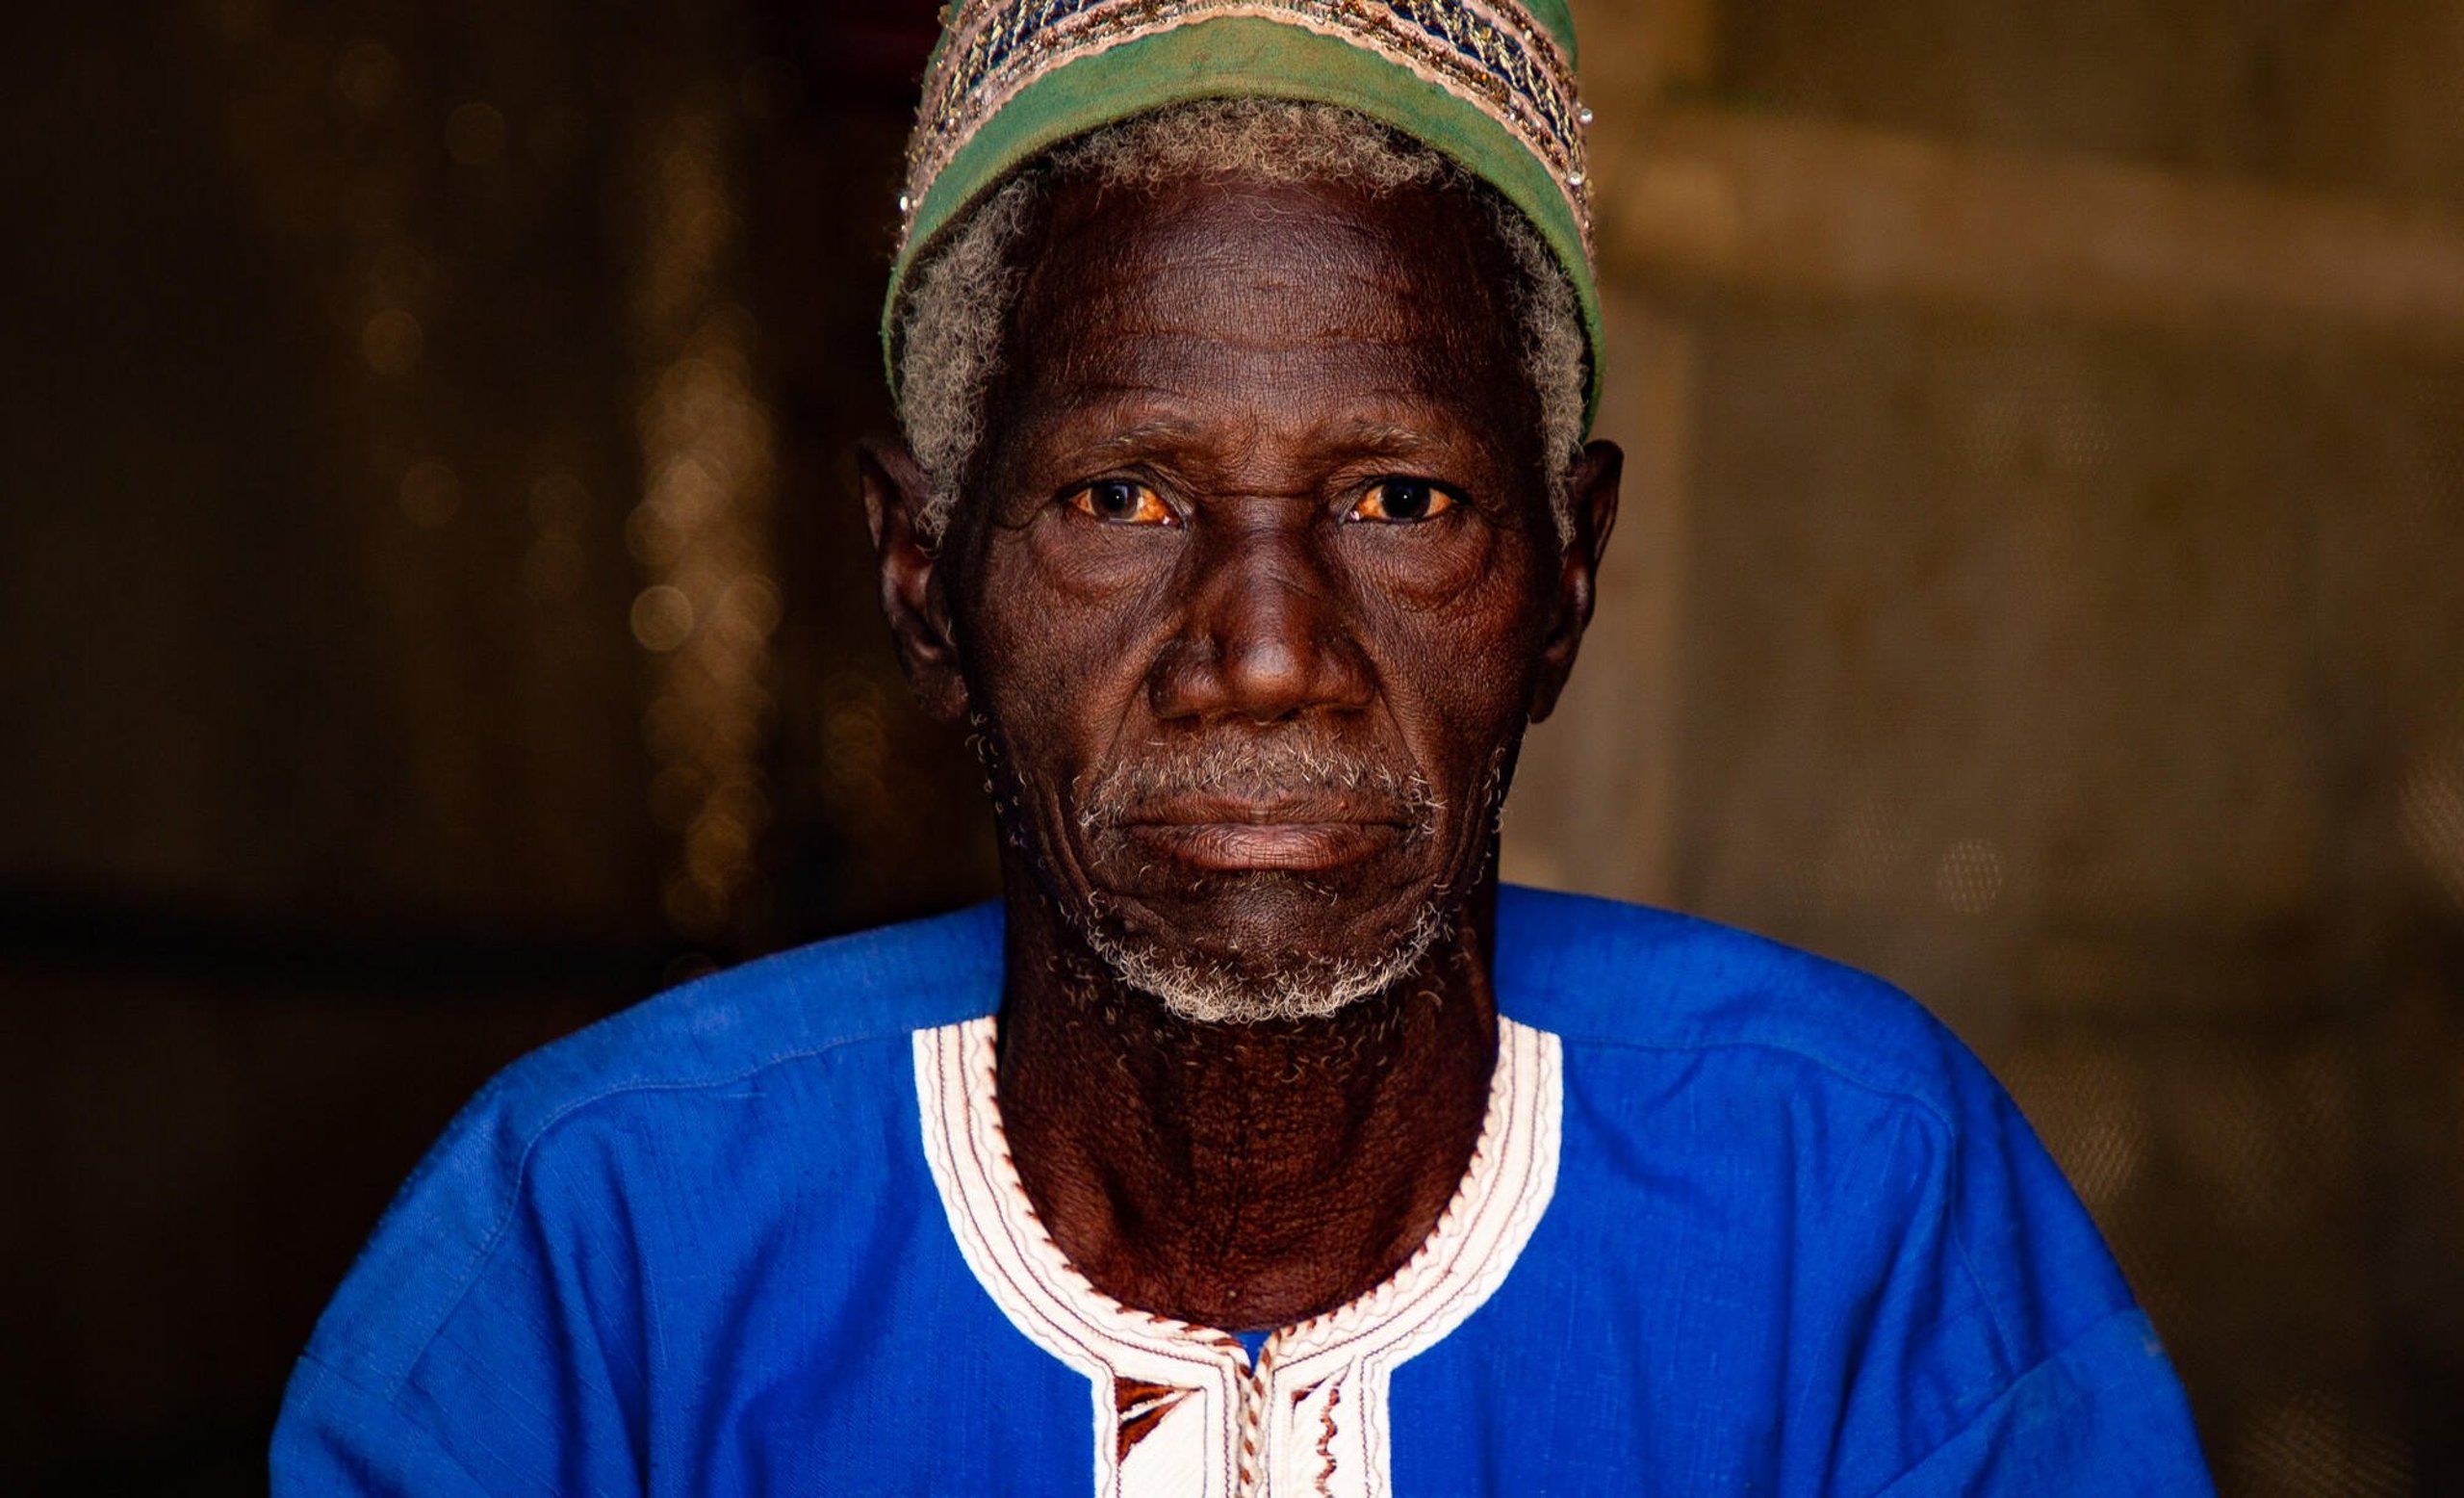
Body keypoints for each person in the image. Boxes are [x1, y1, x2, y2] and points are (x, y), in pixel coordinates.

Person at [274, 3, 2216, 1493]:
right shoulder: (597, 1252)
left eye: (1398, 501)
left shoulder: (1851, 1207)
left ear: (1568, 574)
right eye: (1120, 498)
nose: (1268, 657)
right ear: (921, 578)